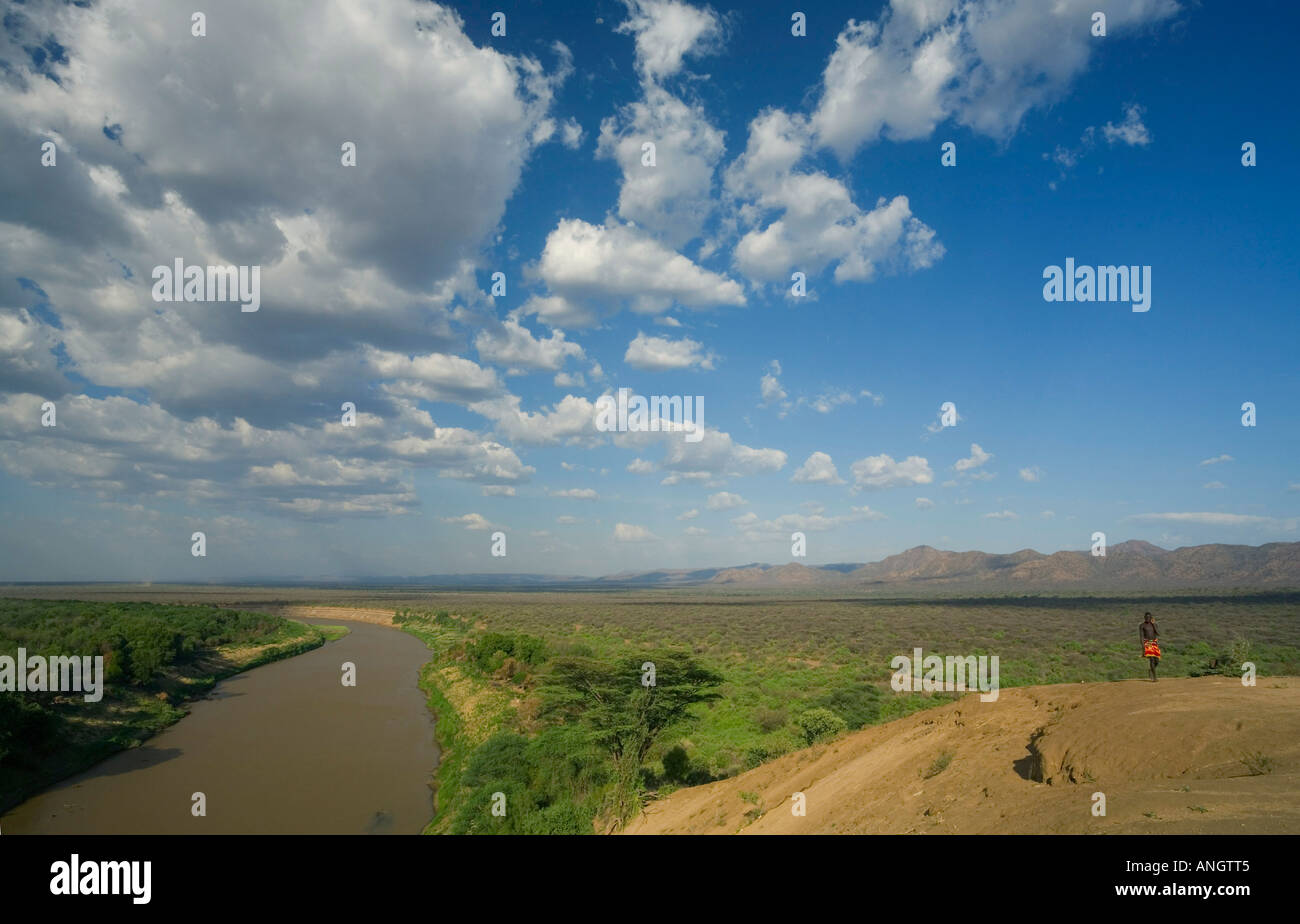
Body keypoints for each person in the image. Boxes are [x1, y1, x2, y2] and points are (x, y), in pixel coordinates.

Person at [1139, 612, 1160, 682]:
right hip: (1147, 643)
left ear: (1151, 618)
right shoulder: (1142, 626)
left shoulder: (1154, 625)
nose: (1147, 618)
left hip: (1154, 642)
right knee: (1152, 659)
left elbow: (1158, 633)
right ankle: (1154, 677)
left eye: (1149, 617)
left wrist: (1154, 624)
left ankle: (1151, 670)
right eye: (1146, 617)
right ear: (1144, 618)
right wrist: (1143, 647)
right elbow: (1141, 637)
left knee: (1157, 661)